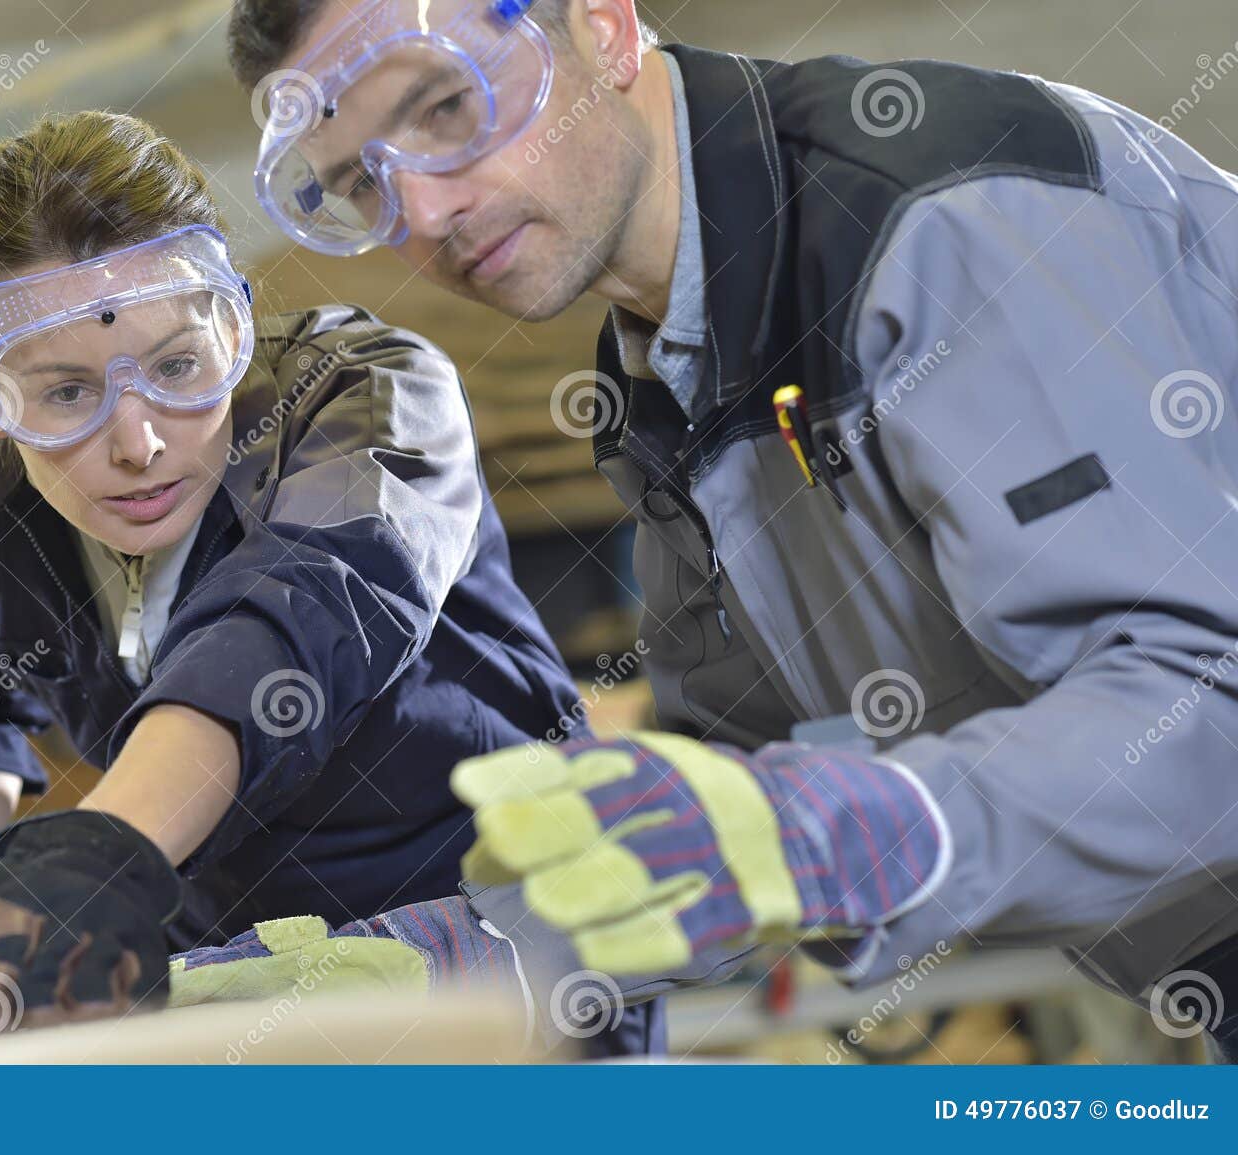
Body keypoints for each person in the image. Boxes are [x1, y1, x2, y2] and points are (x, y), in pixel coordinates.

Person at [206, 0, 1238, 1058]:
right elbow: (733, 789)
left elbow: (1208, 713)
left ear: (602, 28)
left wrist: (852, 835)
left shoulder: (936, 218)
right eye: (361, 183)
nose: (421, 210)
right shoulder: (661, 374)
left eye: (443, 107)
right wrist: (465, 956)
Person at [0, 109, 669, 1050]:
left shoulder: (368, 396)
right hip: (239, 969)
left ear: (238, 328)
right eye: (66, 393)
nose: (142, 442)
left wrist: (98, 857)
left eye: (179, 365)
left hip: (504, 944)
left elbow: (284, 629)